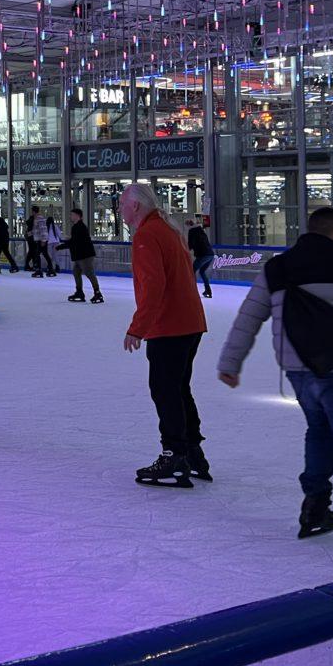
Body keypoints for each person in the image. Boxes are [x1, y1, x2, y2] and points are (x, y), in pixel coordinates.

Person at [217, 207, 333, 555]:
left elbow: (248, 317)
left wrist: (230, 362)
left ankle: (315, 507)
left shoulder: (277, 266)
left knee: (319, 430)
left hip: (298, 369)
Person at [120, 183, 209, 488]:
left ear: (135, 207)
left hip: (169, 326)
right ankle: (192, 451)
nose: (119, 209)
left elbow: (153, 287)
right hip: (190, 323)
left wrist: (137, 328)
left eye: (122, 203)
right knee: (179, 388)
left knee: (165, 390)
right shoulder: (169, 229)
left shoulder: (147, 235)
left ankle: (174, 455)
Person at [55, 208, 103, 304]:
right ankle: (79, 292)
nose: (71, 216)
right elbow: (74, 241)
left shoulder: (80, 227)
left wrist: (61, 246)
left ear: (77, 216)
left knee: (89, 273)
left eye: (72, 215)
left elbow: (75, 242)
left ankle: (97, 293)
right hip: (80, 255)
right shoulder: (76, 226)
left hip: (85, 255)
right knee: (76, 272)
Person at [187, 217, 215, 299]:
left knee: (192, 271)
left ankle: (192, 291)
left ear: (189, 225)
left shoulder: (191, 231)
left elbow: (190, 245)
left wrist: (184, 250)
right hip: (210, 254)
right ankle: (208, 291)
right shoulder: (201, 230)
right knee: (202, 271)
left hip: (203, 255)